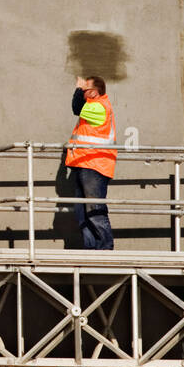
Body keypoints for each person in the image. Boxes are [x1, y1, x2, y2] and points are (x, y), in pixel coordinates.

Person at [66, 75, 116, 250]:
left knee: (94, 209)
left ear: (94, 92)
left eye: (85, 89)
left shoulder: (99, 107)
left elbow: (76, 107)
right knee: (81, 212)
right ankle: (90, 248)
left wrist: (78, 89)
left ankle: (104, 248)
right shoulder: (92, 107)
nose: (82, 92)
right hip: (83, 164)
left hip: (95, 165)